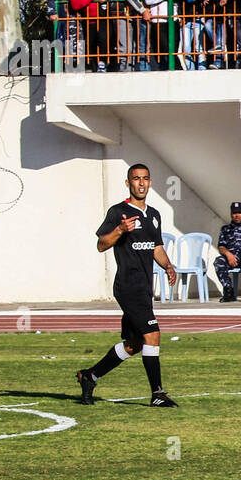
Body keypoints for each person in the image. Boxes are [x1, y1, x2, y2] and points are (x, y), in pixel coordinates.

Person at [75, 164, 179, 407]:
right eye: (136, 179)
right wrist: (120, 230)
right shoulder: (118, 212)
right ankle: (157, 395)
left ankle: (90, 376)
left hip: (144, 287)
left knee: (135, 344)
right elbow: (102, 244)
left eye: (145, 179)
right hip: (127, 286)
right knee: (153, 334)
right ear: (128, 183)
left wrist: (168, 266)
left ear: (150, 182)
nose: (141, 183)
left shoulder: (153, 214)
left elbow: (156, 247)